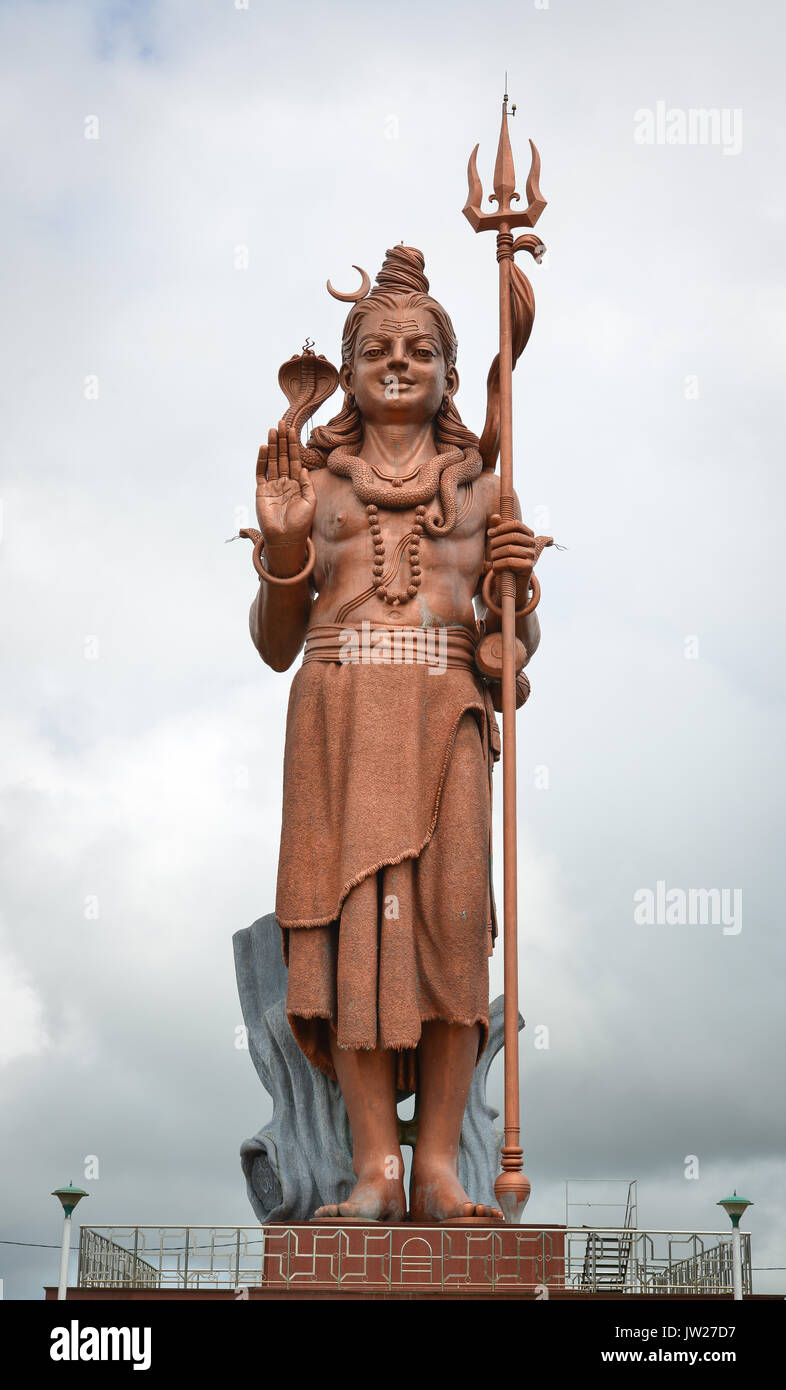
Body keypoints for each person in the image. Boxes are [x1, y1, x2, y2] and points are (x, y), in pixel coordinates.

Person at [247, 245, 540, 1221]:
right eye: (380, 348)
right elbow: (276, 645)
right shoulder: (322, 486)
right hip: (338, 710)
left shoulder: (483, 488)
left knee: (454, 928)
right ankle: (377, 1165)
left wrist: (517, 599)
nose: (401, 362)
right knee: (357, 941)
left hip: (444, 711)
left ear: (454, 374)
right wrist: (284, 550)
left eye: (422, 349)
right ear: (352, 368)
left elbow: (510, 661)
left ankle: (441, 1169)